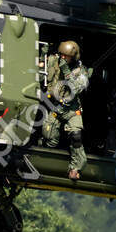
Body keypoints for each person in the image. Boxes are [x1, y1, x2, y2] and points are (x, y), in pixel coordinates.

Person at [42, 39, 90, 179]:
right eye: (61, 54)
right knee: (49, 138)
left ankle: (76, 168)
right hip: (56, 107)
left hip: (72, 109)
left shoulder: (80, 70)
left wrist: (67, 72)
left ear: (73, 57)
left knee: (76, 136)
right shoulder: (52, 61)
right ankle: (47, 161)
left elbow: (77, 88)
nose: (63, 58)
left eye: (66, 56)